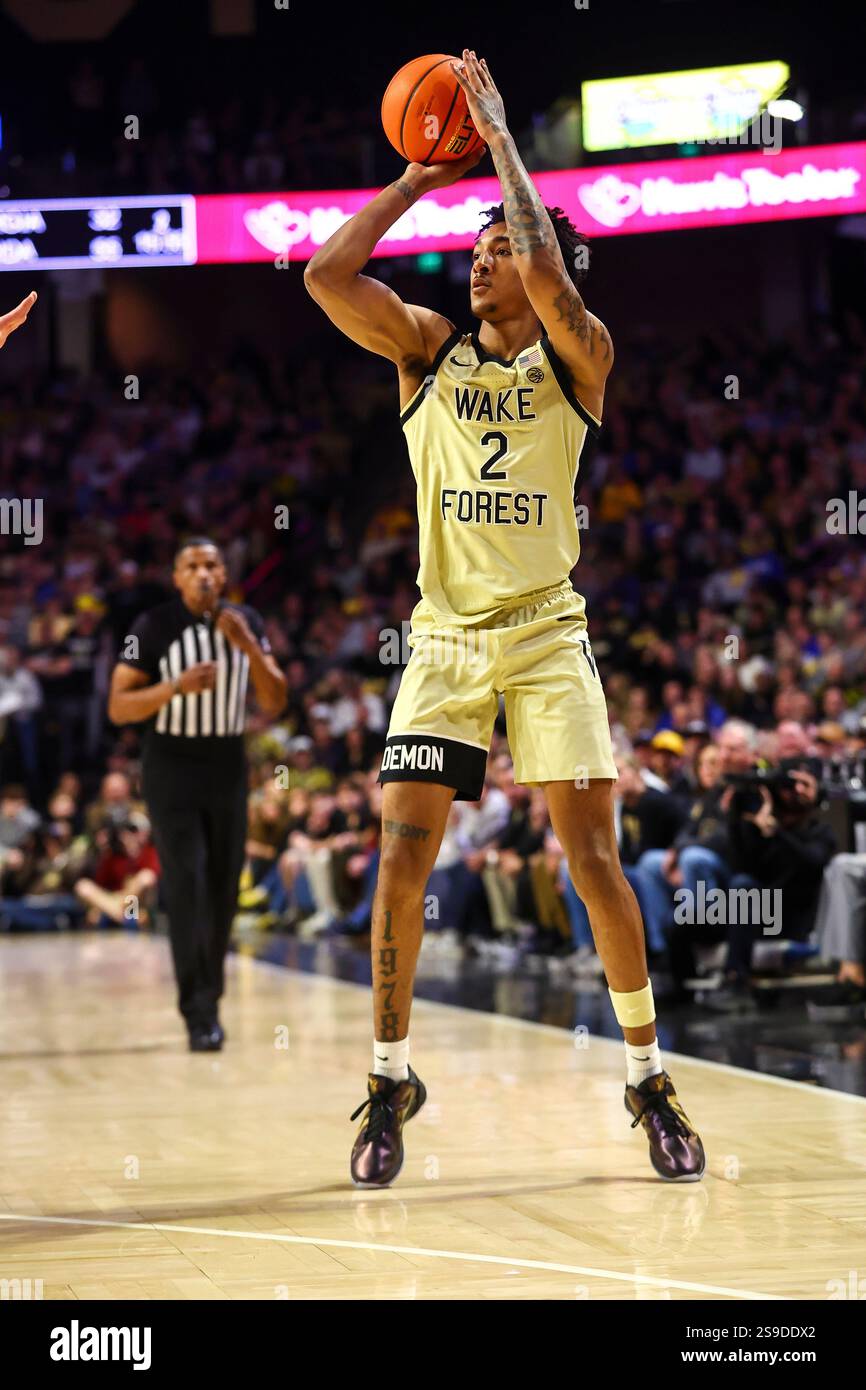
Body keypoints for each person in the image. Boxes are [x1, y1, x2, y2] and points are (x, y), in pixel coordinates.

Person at [305, 50, 704, 1186]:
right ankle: (388, 1079)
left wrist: (503, 145)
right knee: (399, 851)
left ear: (530, 273)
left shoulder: (580, 360)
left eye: (498, 253)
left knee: (590, 858)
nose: (480, 265)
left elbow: (557, 281)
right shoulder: (424, 351)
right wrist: (420, 181)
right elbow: (326, 279)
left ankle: (645, 1079)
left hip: (544, 633)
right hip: (443, 639)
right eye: (471, 254)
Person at [107, 538, 286, 1050]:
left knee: (224, 887)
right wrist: (173, 689)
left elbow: (275, 700)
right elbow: (119, 707)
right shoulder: (152, 627)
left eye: (212, 565)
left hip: (227, 763)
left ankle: (211, 993)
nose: (204, 574)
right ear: (177, 578)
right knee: (186, 883)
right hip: (170, 764)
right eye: (193, 566)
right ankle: (198, 1010)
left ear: (225, 575)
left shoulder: (245, 619)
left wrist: (250, 647)